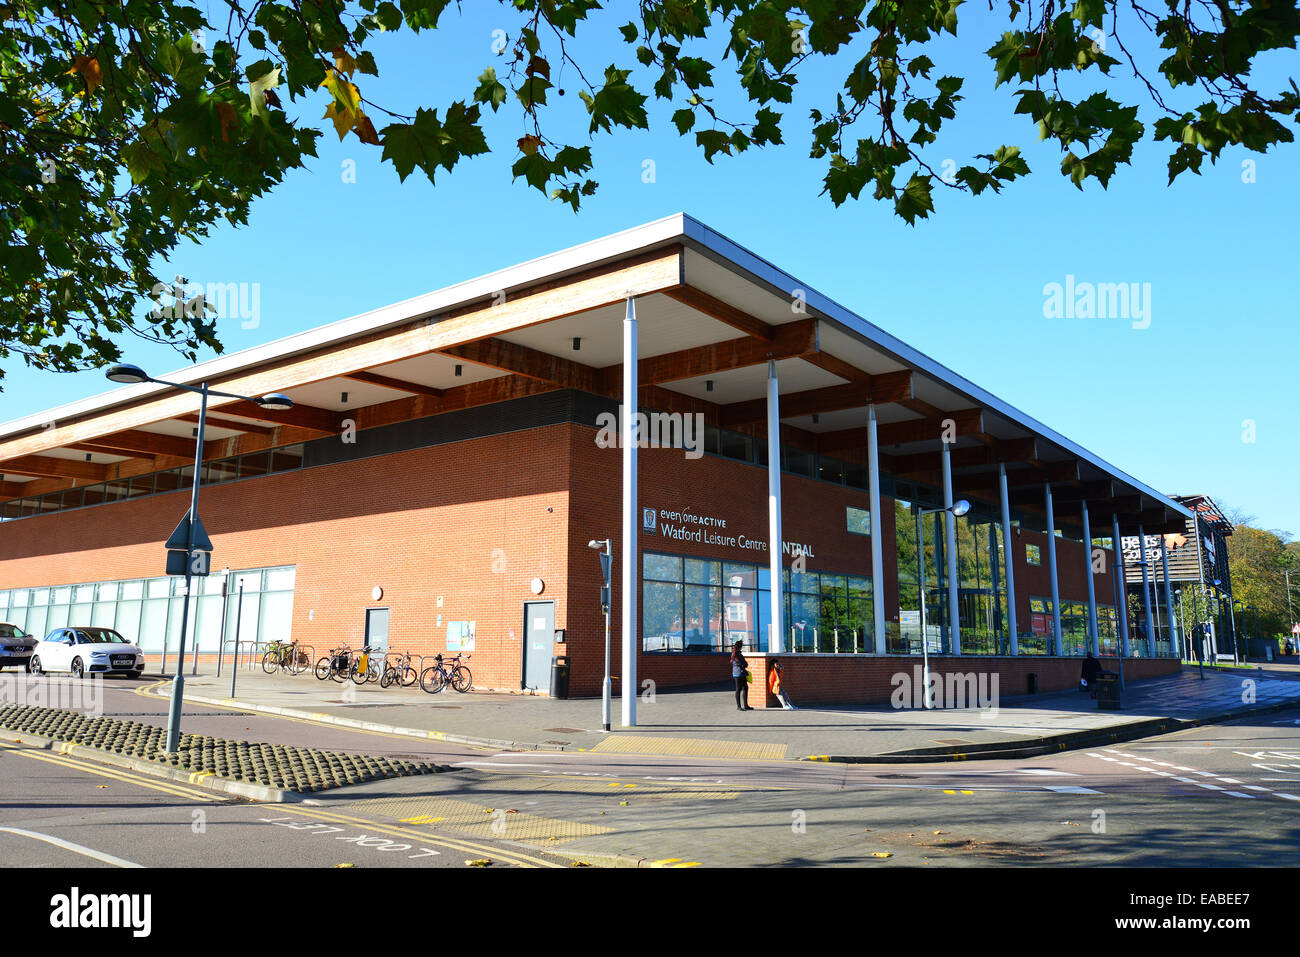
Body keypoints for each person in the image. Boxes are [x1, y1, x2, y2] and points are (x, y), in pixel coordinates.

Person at [731, 640, 752, 711]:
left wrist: (744, 664)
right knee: (739, 689)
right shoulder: (738, 654)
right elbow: (744, 664)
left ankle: (744, 705)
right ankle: (739, 706)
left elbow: (743, 663)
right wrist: (744, 664)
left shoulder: (735, 654)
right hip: (739, 674)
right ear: (740, 647)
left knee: (744, 688)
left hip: (738, 673)